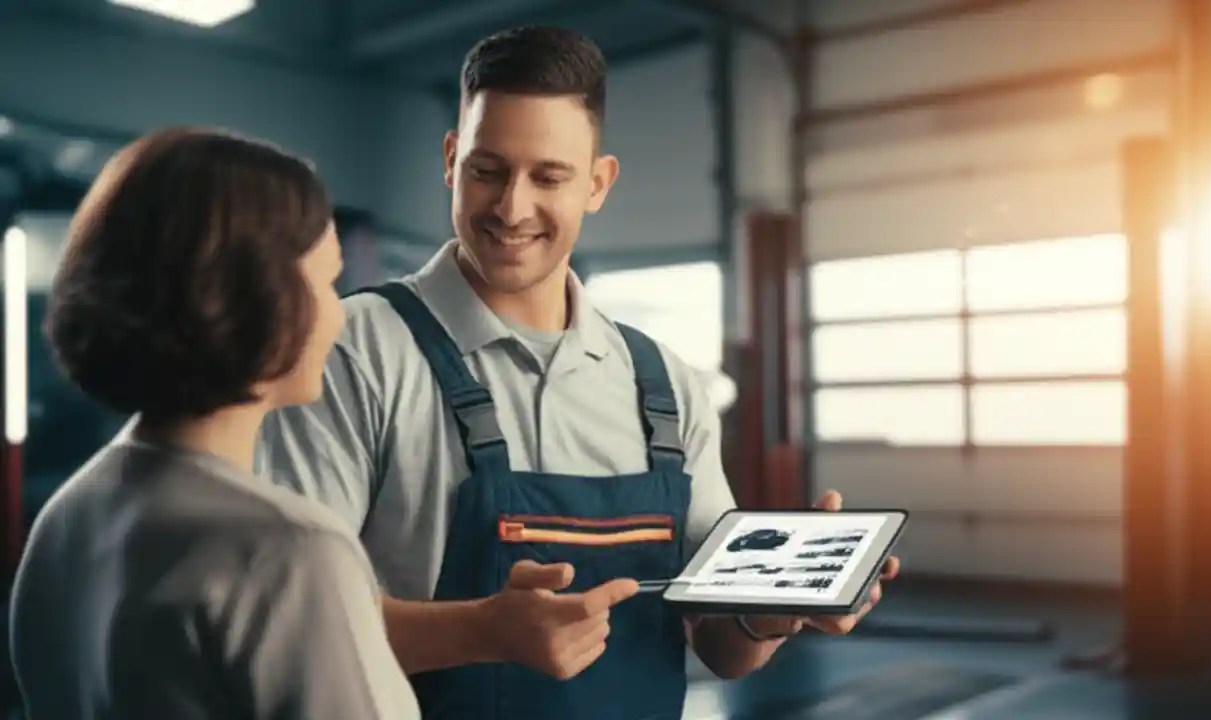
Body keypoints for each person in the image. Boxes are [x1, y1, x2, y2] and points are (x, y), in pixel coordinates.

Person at [256, 26, 899, 719]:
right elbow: (289, 625)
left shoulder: (668, 390)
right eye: (488, 169)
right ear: (451, 160)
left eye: (549, 176)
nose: (511, 207)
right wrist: (480, 631)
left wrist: (779, 608)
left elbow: (720, 645)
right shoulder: (353, 353)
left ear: (597, 183)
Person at [9, 128, 420, 720]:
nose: (342, 314)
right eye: (329, 282)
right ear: (259, 295)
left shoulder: (69, 516)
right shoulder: (290, 549)